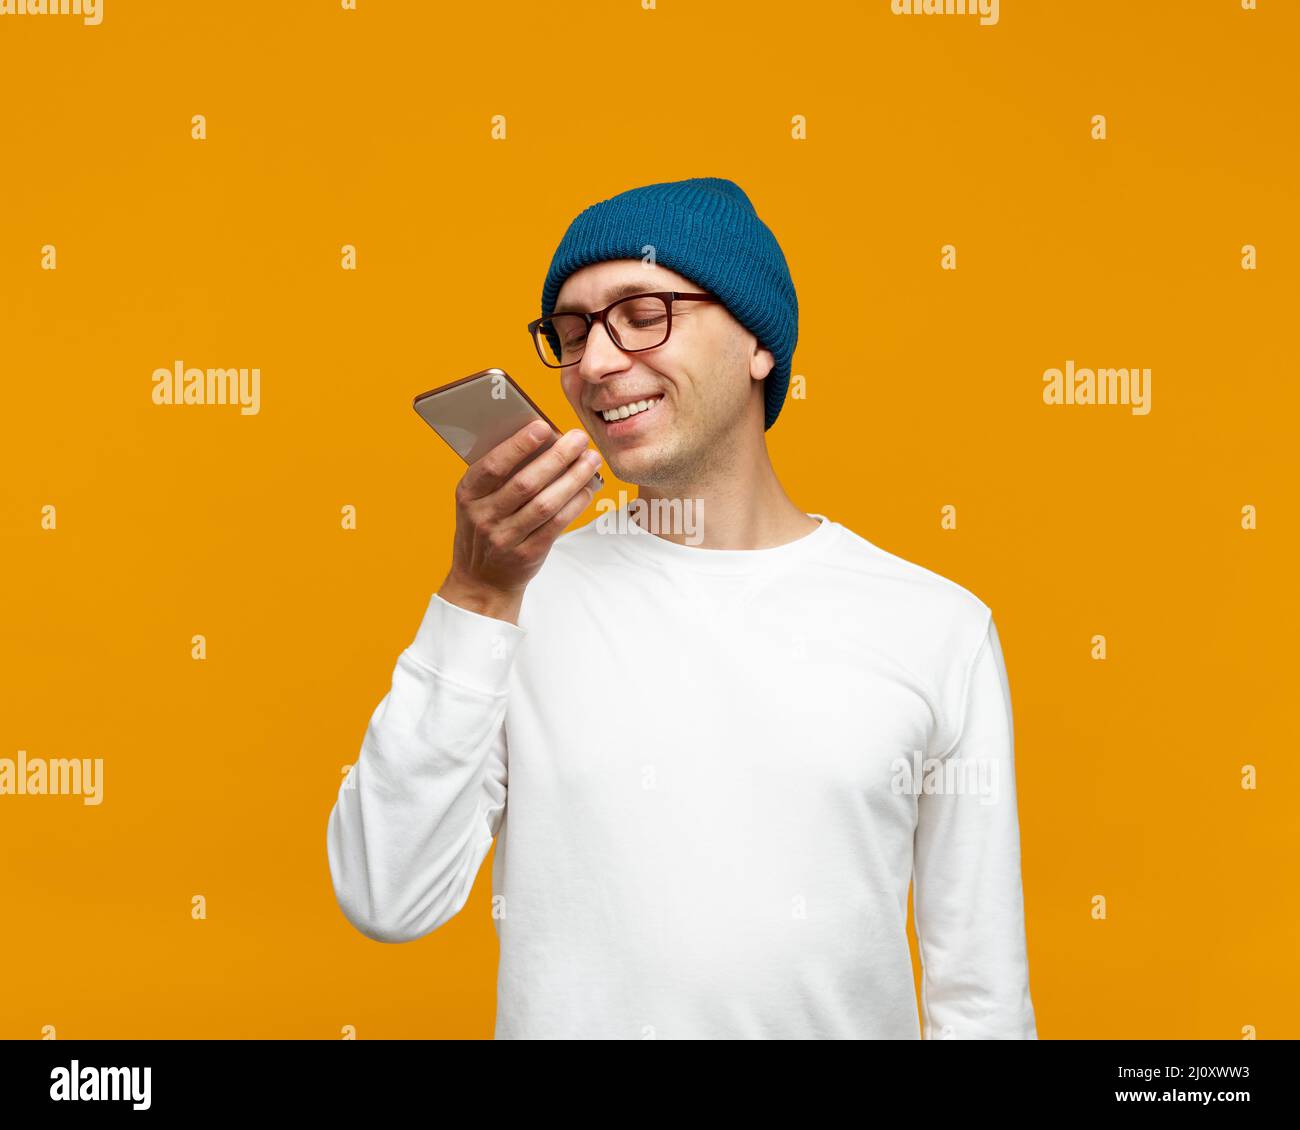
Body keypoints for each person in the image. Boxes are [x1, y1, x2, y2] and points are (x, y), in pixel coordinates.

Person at [326, 176, 1037, 1040]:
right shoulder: (517, 598)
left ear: (758, 346)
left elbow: (980, 996)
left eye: (641, 313)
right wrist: (477, 594)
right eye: (574, 330)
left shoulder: (937, 627)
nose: (594, 363)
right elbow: (387, 894)